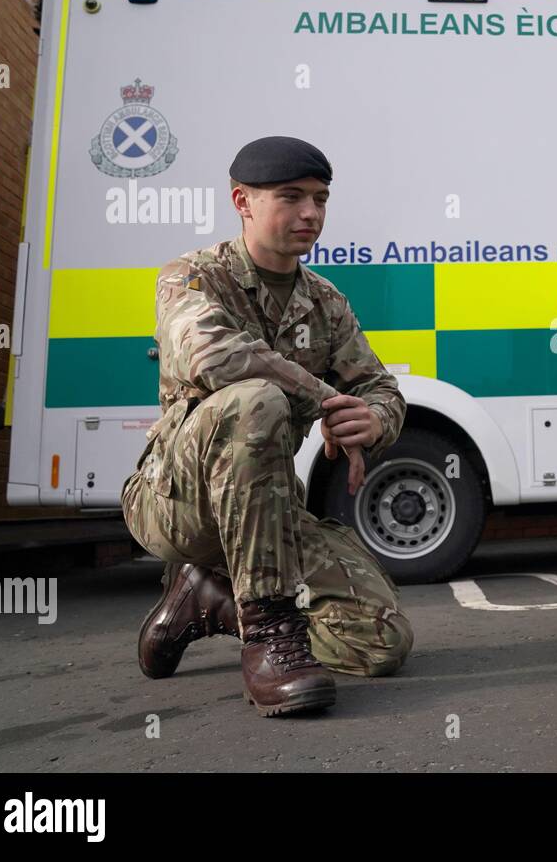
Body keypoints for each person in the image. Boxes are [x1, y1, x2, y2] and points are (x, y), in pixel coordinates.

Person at [121, 136, 414, 717]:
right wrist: (326, 395)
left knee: (381, 641)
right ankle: (269, 635)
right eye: (291, 197)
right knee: (256, 400)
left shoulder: (325, 304)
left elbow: (381, 387)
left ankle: (208, 601)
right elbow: (214, 357)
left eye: (321, 199)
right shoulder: (193, 276)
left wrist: (373, 419)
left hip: (267, 512)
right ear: (242, 201)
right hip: (179, 505)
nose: (311, 213)